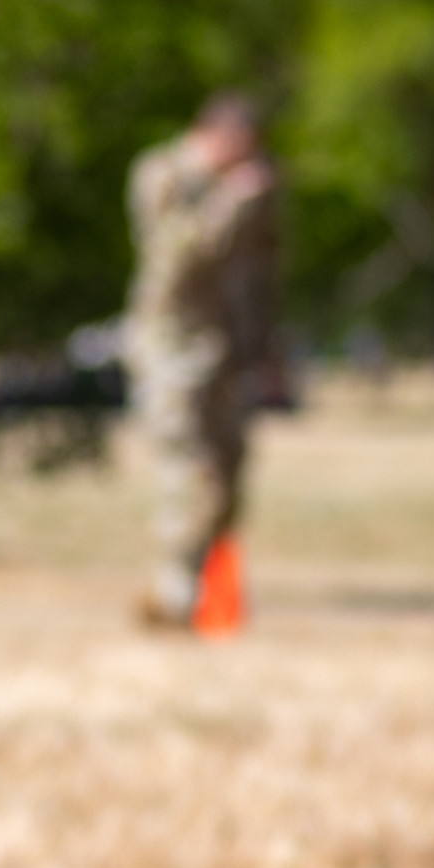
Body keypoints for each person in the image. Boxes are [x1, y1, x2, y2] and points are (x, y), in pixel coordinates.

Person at [123, 93, 287, 627]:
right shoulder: (163, 175)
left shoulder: (252, 190)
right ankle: (175, 595)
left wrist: (267, 349)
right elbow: (178, 259)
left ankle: (192, 592)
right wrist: (231, 204)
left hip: (227, 350)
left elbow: (264, 276)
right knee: (187, 467)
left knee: (228, 480)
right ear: (215, 135)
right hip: (173, 344)